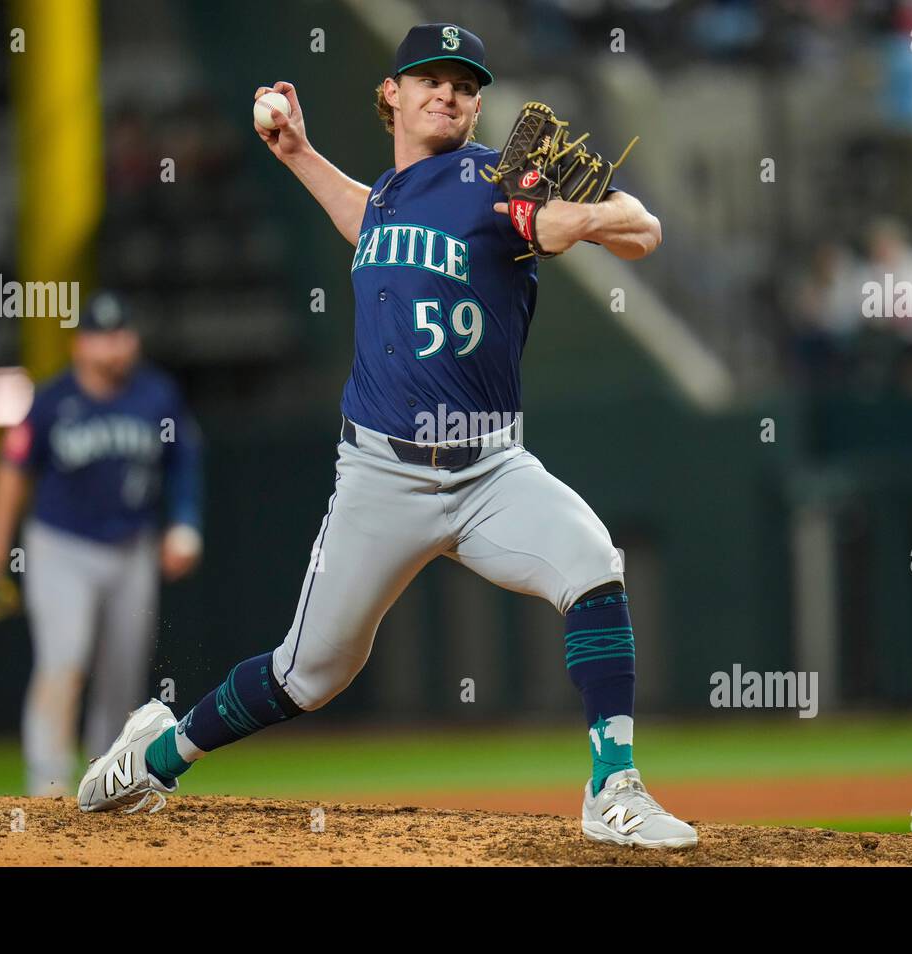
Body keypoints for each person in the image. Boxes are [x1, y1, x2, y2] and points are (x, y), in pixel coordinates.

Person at [79, 23, 696, 849]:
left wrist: (585, 217)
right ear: (392, 95)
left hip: (490, 472)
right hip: (381, 477)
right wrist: (295, 151)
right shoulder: (391, 198)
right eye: (430, 78)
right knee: (309, 676)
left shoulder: (493, 177)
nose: (448, 92)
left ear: (478, 107)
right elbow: (364, 218)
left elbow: (638, 229)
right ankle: (155, 753)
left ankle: (612, 787)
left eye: (465, 84)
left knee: (593, 563)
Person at [0, 291, 203, 796]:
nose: (113, 346)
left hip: (132, 549)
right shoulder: (53, 400)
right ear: (80, 345)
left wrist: (184, 523)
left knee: (121, 676)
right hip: (61, 546)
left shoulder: (156, 396)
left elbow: (184, 459)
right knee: (65, 660)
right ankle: (48, 782)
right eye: (101, 336)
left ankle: (107, 780)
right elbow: (12, 471)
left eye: (121, 334)